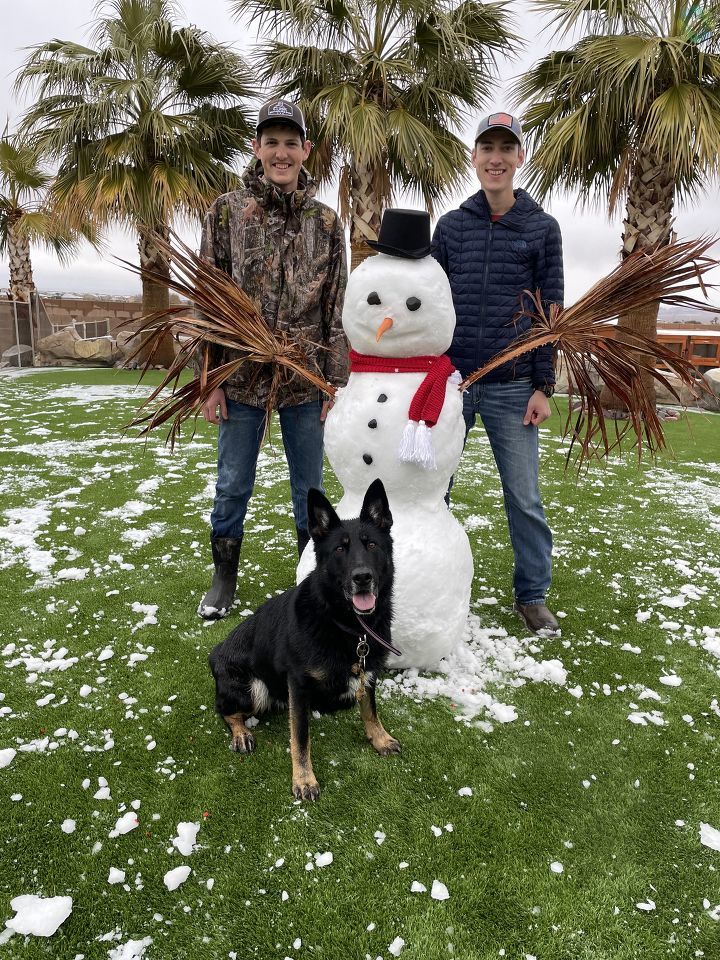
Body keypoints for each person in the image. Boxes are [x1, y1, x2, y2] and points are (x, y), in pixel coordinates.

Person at [197, 99, 348, 620]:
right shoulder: (226, 211)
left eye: (291, 142)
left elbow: (336, 306)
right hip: (241, 378)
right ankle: (223, 577)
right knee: (233, 480)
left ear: (307, 150)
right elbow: (209, 302)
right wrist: (210, 378)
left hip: (305, 379)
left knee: (309, 487)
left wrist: (333, 382)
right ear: (257, 148)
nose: (281, 153)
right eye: (271, 141)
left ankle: (312, 578)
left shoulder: (327, 223)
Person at [431, 112, 563, 635]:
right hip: (454, 385)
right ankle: (426, 580)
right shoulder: (452, 226)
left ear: (518, 159)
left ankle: (531, 594)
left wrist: (542, 385)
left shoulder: (541, 228)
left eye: (506, 149)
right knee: (434, 488)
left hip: (513, 389)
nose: (496, 158)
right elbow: (431, 303)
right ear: (474, 157)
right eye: (487, 148)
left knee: (524, 496)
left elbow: (551, 313)